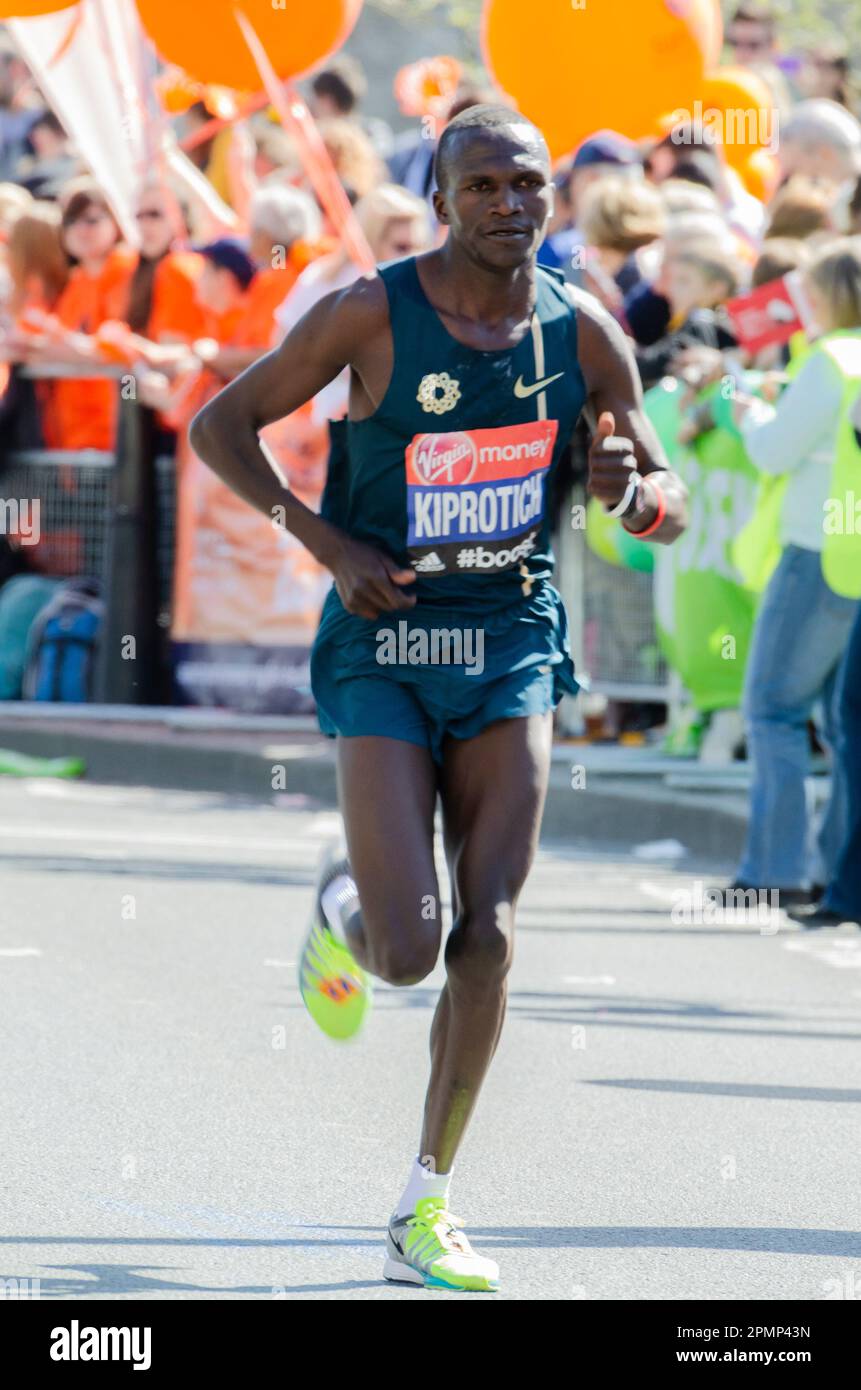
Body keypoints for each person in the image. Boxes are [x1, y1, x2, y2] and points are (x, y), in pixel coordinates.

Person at [188, 104, 687, 1293]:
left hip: (512, 637)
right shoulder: (373, 309)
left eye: (529, 186)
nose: (511, 207)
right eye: (485, 188)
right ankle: (346, 911)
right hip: (386, 645)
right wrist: (324, 543)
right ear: (441, 197)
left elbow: (660, 484)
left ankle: (426, 1199)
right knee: (409, 949)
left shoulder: (582, 328)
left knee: (491, 935)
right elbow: (221, 427)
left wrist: (639, 493)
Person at [729, 238, 861, 899]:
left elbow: (775, 452)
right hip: (850, 554)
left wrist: (750, 413)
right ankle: (832, 870)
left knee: (773, 710)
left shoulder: (830, 359)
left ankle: (775, 871)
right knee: (841, 725)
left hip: (816, 550)